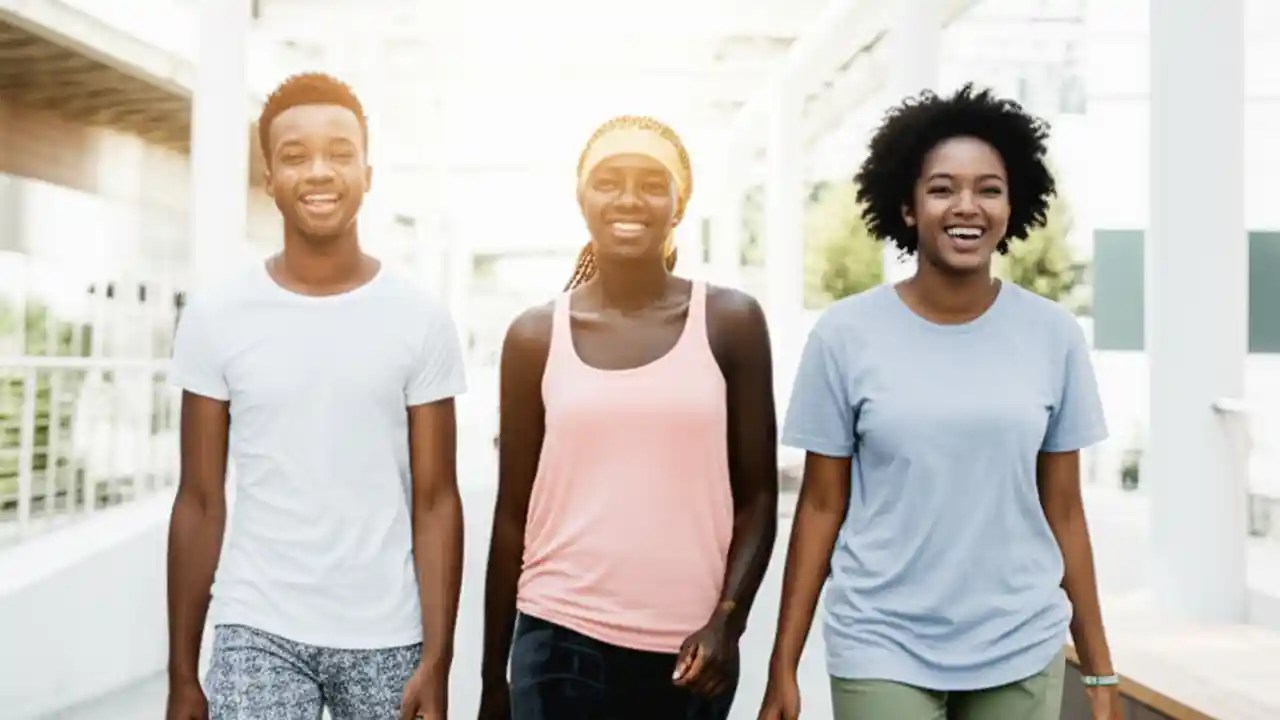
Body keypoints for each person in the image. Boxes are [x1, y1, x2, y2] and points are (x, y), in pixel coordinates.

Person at [758, 84, 1121, 720]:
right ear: (906, 205)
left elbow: (1064, 510)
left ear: (1013, 206)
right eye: (941, 188)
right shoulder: (845, 335)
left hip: (1019, 640)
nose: (967, 206)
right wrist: (781, 666)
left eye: (989, 189)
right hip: (882, 642)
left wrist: (1098, 671)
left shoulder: (1053, 336)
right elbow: (819, 506)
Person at [164, 72, 466, 720]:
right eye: (295, 156)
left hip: (387, 630)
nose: (319, 171)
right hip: (258, 627)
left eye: (340, 152)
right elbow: (199, 498)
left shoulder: (419, 318)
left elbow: (438, 498)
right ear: (269, 178)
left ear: (368, 170)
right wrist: (183, 675)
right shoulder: (217, 317)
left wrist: (437, 661)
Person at [477, 115, 779, 719]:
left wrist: (728, 622)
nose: (629, 199)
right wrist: (493, 682)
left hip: (691, 656)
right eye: (609, 181)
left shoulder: (731, 323)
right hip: (558, 639)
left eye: (651, 183)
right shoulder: (535, 335)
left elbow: (759, 498)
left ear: (678, 205)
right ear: (582, 199)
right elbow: (512, 515)